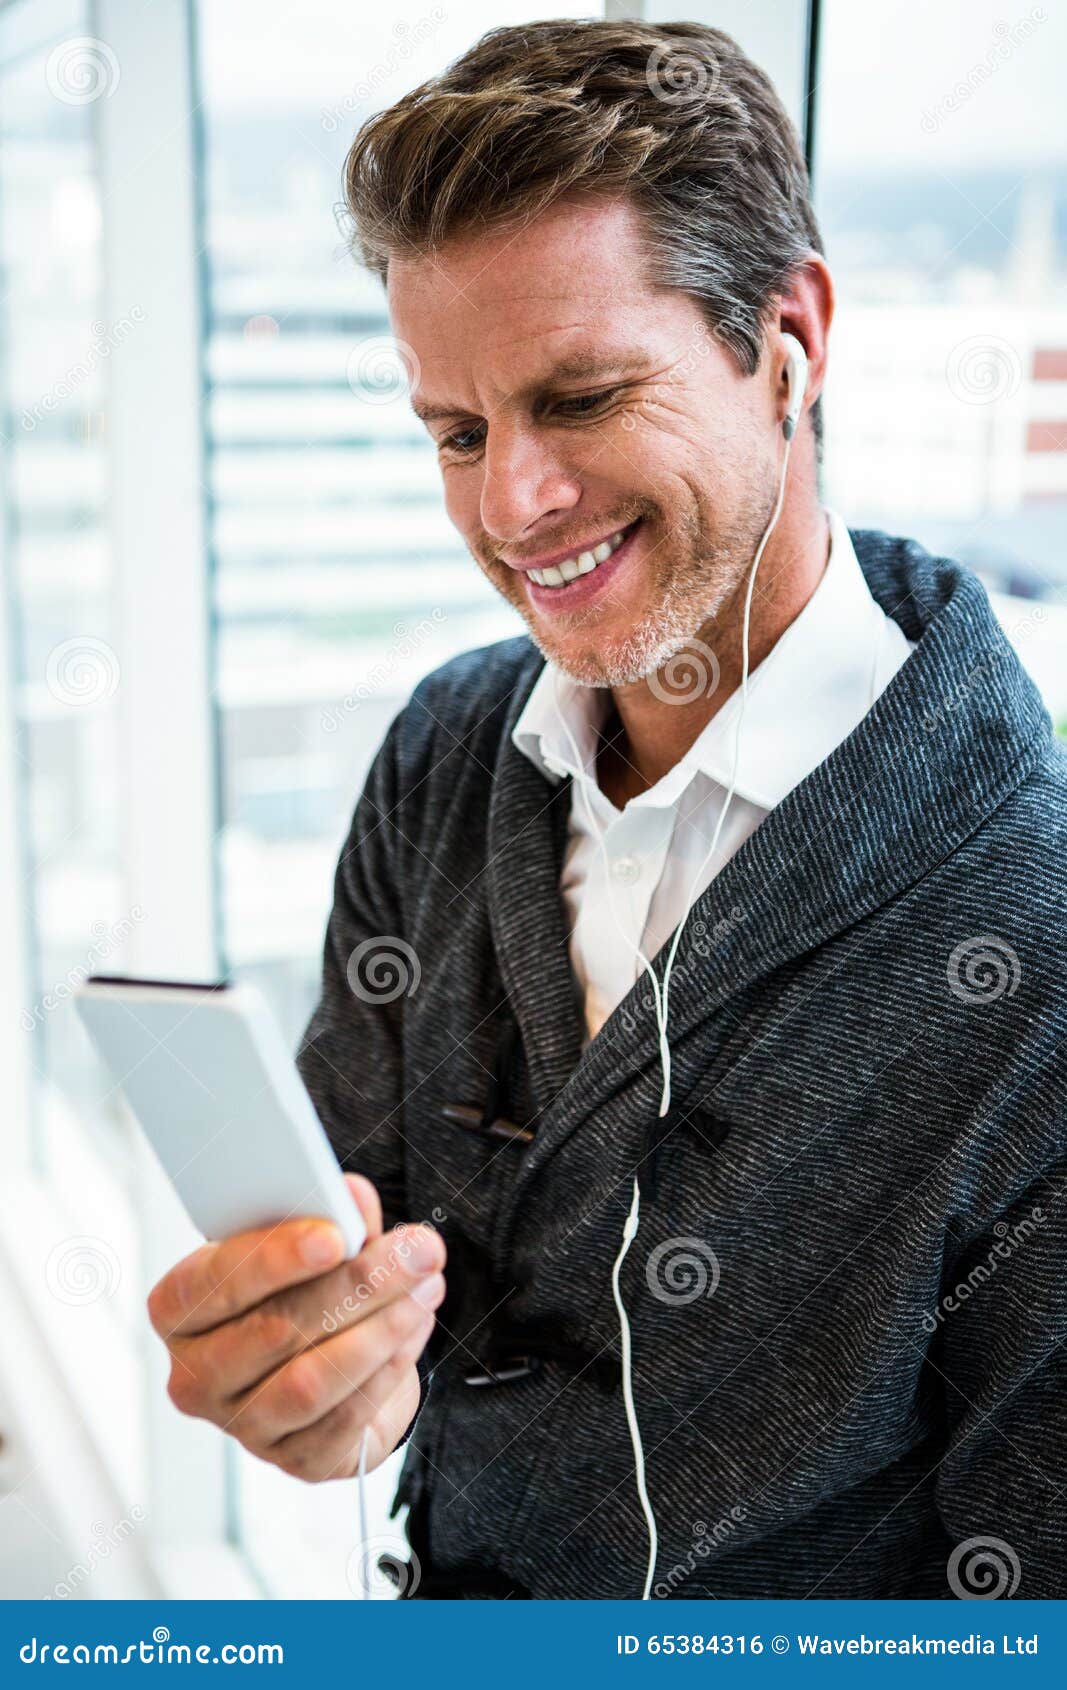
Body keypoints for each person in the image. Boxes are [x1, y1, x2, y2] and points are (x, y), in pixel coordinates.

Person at [147, 19, 1067, 1599]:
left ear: (791, 339)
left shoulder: (1030, 928)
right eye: (458, 432)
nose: (511, 506)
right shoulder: (446, 750)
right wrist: (310, 1374)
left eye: (580, 397)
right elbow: (351, 1252)